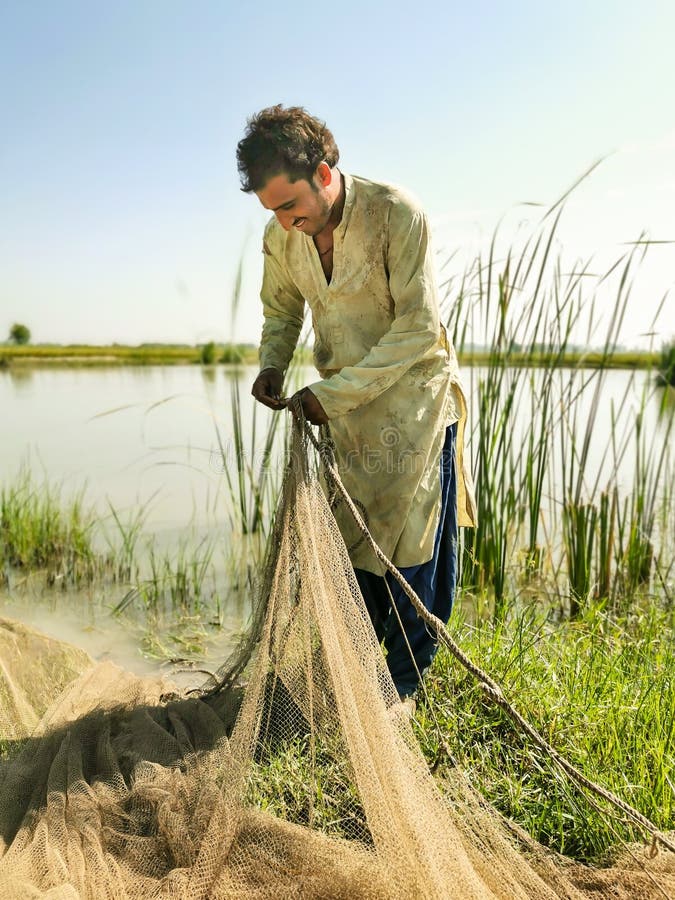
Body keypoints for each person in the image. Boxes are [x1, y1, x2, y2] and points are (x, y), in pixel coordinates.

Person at [237, 105, 476, 709]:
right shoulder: (281, 236)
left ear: (323, 174)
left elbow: (420, 329)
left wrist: (331, 394)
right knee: (358, 542)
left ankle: (404, 692)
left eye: (290, 206)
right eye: (272, 212)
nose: (285, 223)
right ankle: (368, 677)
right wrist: (272, 364)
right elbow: (283, 311)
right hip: (344, 413)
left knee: (414, 545)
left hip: (413, 409)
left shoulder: (396, 213)